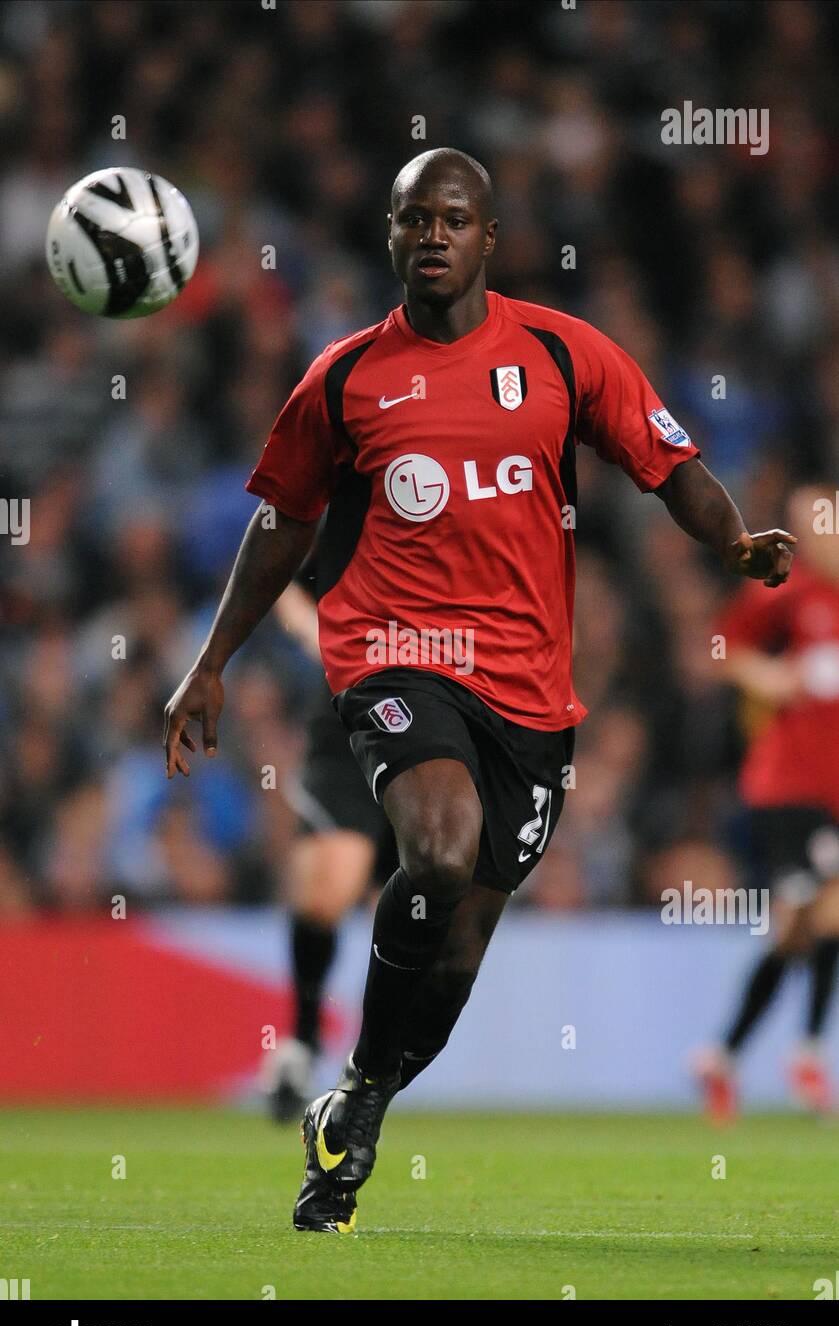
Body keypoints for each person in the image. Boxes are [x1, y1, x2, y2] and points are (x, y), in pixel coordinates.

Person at [163, 148, 795, 1234]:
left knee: (447, 982)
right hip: (392, 654)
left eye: (452, 219)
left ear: (488, 239)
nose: (432, 236)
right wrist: (210, 658)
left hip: (530, 700)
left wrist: (732, 541)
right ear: (392, 236)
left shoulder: (560, 352)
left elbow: (666, 463)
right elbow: (285, 520)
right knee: (439, 850)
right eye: (413, 218)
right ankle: (356, 1084)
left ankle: (351, 1113)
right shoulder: (345, 376)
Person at [694, 482, 839, 1123]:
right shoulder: (787, 591)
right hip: (790, 787)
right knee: (824, 914)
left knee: (796, 930)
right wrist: (768, 675)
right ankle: (807, 1053)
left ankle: (722, 1056)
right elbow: (720, 648)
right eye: (807, 521)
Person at [261, 577, 396, 1121]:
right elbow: (280, 567)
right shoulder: (344, 501)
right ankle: (303, 1039)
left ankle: (377, 1061)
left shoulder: (474, 503)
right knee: (326, 893)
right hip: (351, 720)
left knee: (423, 895)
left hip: (445, 713)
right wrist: (320, 632)